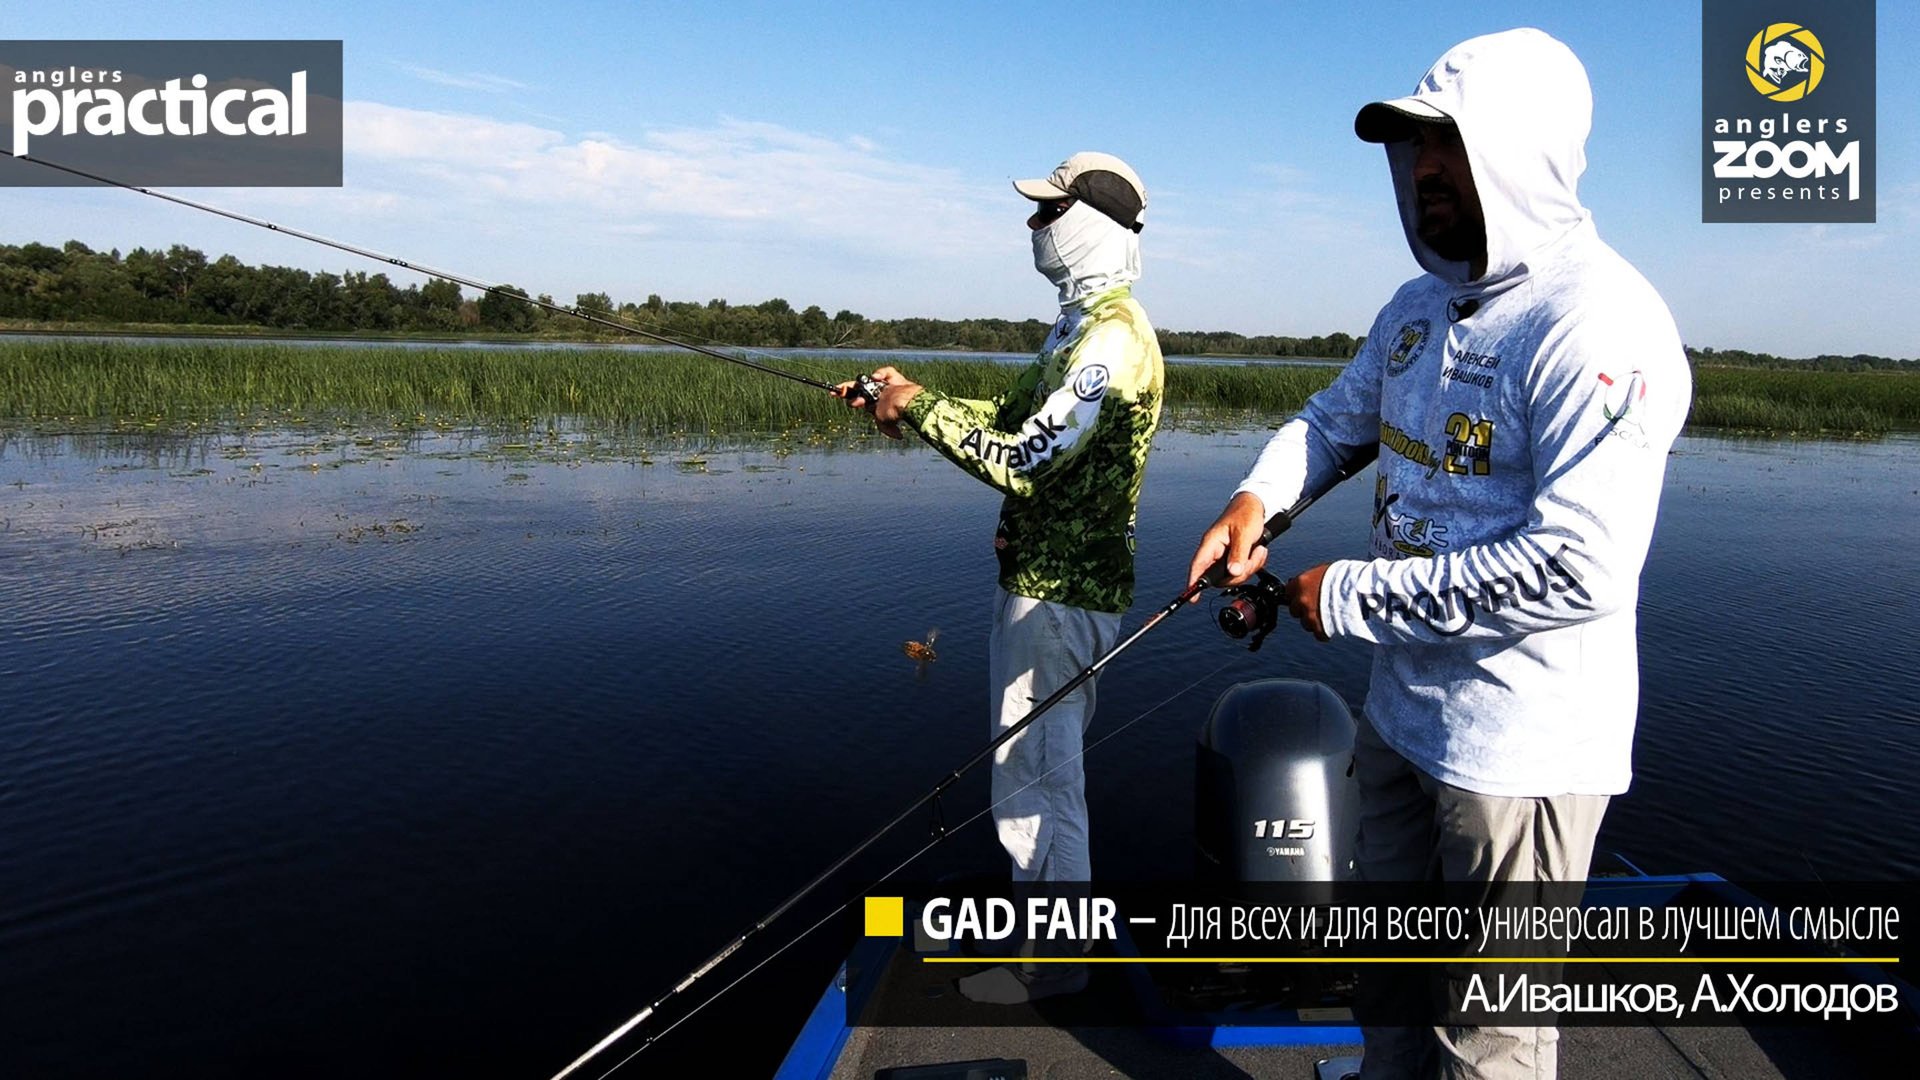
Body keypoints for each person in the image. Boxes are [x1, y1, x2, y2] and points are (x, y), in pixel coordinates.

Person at [1186, 29, 1690, 1079]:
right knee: (1388, 988)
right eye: (1412, 146)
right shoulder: (1416, 308)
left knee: (1487, 1040)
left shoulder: (1600, 324)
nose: (1422, 169)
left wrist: (1353, 597)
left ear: (1523, 149)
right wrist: (1256, 500)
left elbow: (1580, 566)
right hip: (1401, 720)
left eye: (1447, 143)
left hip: (1521, 757)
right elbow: (1334, 421)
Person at [838, 151, 1164, 1003]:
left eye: (1050, 211)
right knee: (1034, 775)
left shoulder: (1113, 340)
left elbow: (1024, 459)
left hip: (1060, 597)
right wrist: (907, 394)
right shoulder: (1076, 329)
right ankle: (1050, 949)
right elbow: (1009, 418)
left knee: (1040, 781)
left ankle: (1054, 970)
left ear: (1092, 223)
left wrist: (916, 409)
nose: (1033, 225)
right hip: (1041, 588)